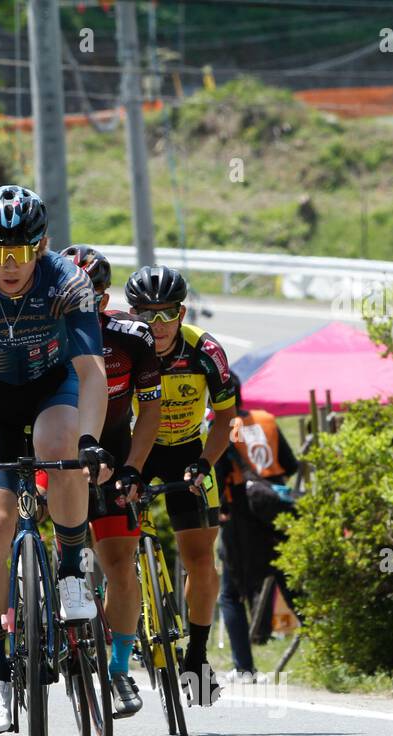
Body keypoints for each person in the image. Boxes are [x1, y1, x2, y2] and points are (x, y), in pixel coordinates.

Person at [0, 184, 110, 735]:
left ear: (43, 246)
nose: (10, 265)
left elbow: (91, 373)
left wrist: (91, 440)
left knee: (62, 449)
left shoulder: (65, 282)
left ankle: (74, 566)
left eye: (22, 251)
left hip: (53, 386)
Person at [59, 244, 163, 717]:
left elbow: (151, 410)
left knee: (120, 564)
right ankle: (38, 623)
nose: (86, 307)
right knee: (53, 550)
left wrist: (134, 468)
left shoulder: (132, 337)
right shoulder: (36, 337)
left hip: (114, 453)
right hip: (57, 455)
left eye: (95, 297)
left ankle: (119, 670)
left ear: (105, 298)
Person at [126, 265, 235, 706]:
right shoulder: (125, 347)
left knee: (200, 558)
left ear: (181, 311)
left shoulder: (205, 350)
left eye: (165, 314)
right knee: (114, 540)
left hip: (189, 450)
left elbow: (226, 419)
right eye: (146, 316)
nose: (157, 326)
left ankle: (197, 655)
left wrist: (205, 464)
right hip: (137, 449)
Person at [216, 372, 300, 681]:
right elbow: (291, 465)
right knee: (289, 581)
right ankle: (330, 648)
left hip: (240, 515)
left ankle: (245, 668)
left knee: (230, 594)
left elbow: (217, 474)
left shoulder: (221, 429)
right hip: (276, 509)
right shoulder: (265, 419)